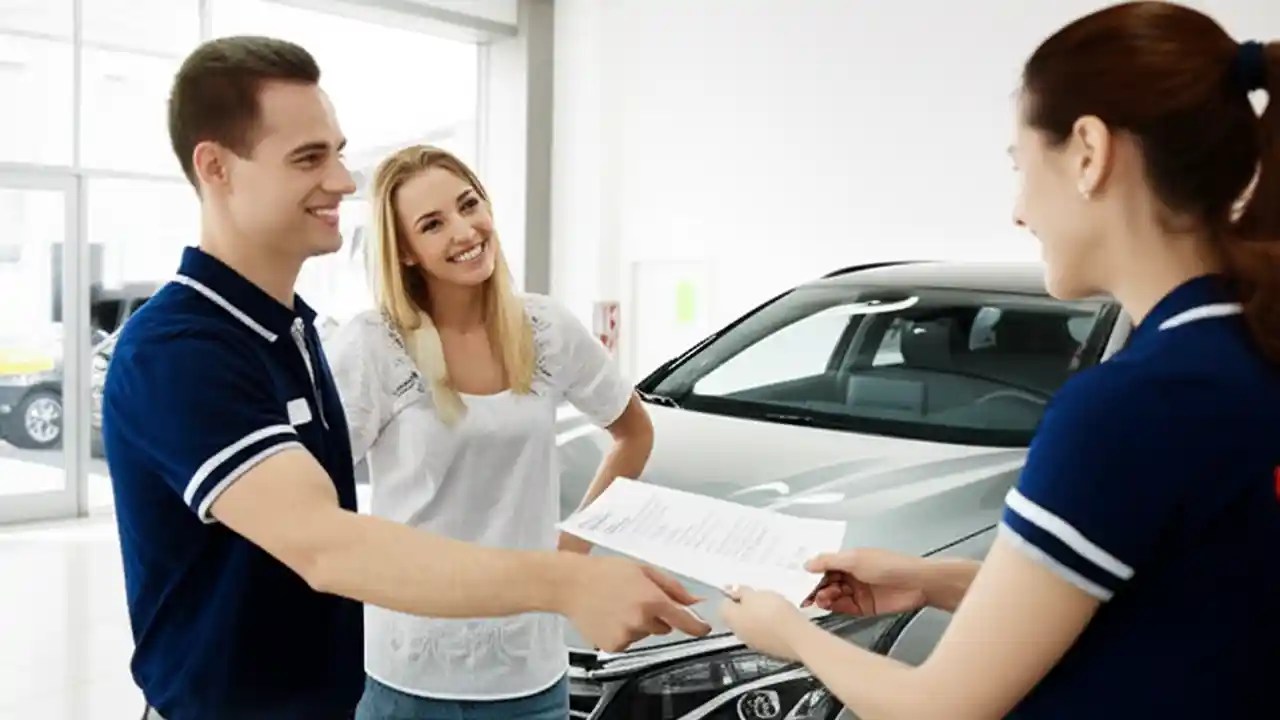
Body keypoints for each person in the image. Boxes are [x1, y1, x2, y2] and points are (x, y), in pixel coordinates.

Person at [103, 36, 708, 720]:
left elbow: (322, 524)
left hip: (364, 692)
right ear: (215, 167)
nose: (342, 179)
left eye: (336, 150)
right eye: (309, 158)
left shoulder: (291, 332)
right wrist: (566, 578)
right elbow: (326, 544)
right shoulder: (181, 352)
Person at [719, 3, 1280, 718]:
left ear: (1088, 152)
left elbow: (941, 707)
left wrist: (791, 634)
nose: (1019, 211)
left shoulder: (1132, 405)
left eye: (1021, 166)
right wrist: (932, 580)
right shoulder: (1239, 349)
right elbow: (1170, 591)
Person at [324, 144, 657, 719]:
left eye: (468, 204)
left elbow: (634, 433)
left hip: (528, 673)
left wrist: (570, 551)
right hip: (408, 674)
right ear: (405, 251)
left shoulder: (546, 326)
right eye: (433, 224)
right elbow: (316, 495)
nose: (464, 230)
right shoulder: (371, 344)